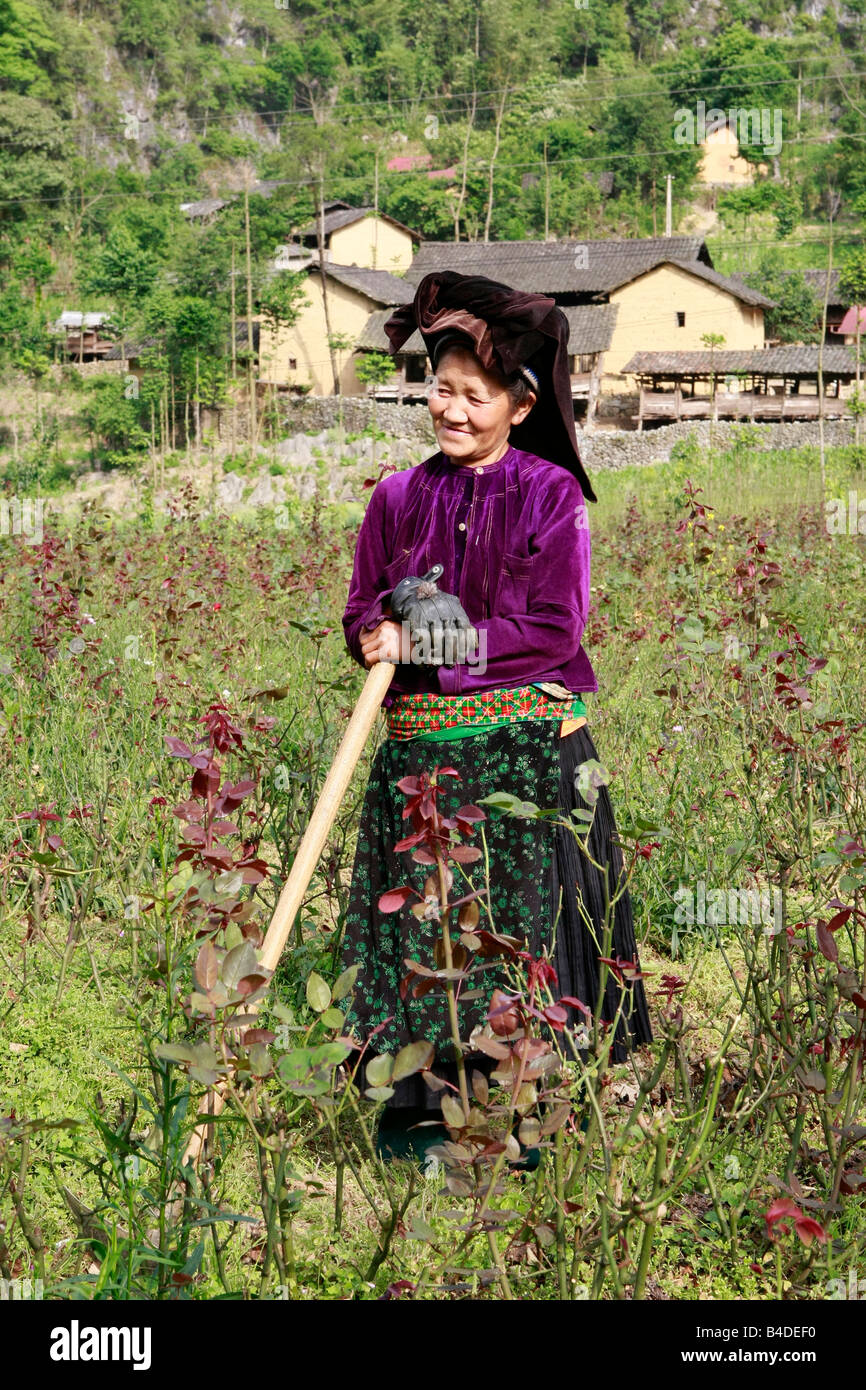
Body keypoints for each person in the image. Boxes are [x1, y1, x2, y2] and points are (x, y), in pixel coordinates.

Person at [339, 271, 652, 1158]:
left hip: (525, 758)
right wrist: (372, 635)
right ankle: (418, 1119)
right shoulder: (395, 499)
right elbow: (364, 610)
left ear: (520, 404)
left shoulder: (550, 496)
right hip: (420, 761)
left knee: (518, 931)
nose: (454, 410)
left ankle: (525, 1123)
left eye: (476, 397)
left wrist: (431, 648)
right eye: (441, 388)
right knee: (422, 927)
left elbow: (553, 631)